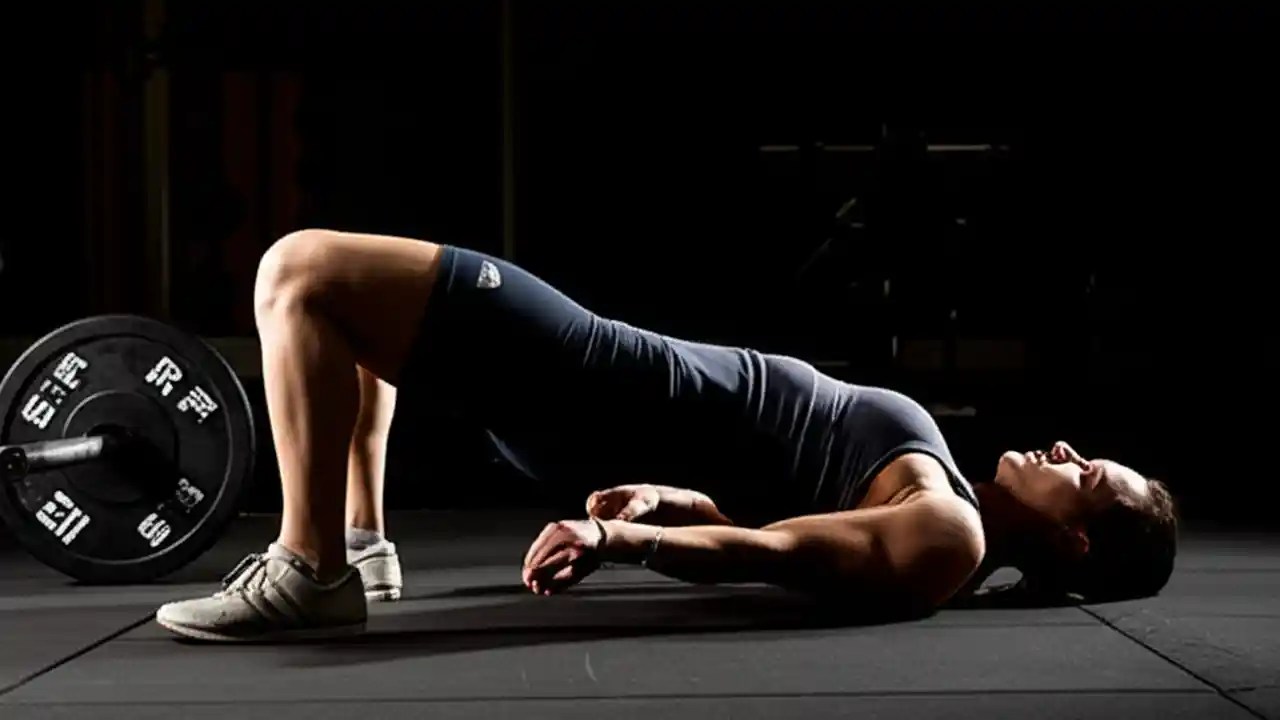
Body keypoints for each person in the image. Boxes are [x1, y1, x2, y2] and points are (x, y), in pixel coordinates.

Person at [154, 230, 1177, 642]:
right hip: (614, 395)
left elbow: (771, 555)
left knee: (302, 271)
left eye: (1089, 478)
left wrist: (619, 544)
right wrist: (667, 505)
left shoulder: (948, 541)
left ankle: (310, 568)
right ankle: (361, 546)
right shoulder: (945, 495)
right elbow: (767, 513)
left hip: (604, 381)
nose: (1066, 452)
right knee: (357, 318)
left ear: (1074, 543)